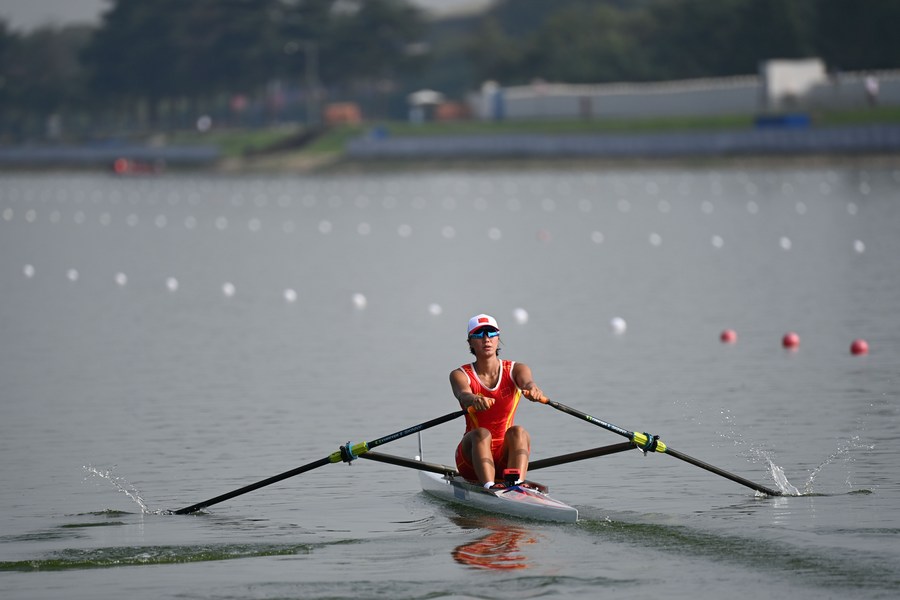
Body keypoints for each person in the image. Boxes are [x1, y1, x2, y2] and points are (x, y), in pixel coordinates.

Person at [450, 313, 546, 489]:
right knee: (482, 433)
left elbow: (527, 382)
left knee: (518, 432)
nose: (486, 339)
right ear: (470, 342)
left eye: (491, 333)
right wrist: (473, 398)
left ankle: (516, 484)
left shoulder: (517, 369)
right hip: (471, 460)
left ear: (498, 338)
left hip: (505, 457)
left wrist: (533, 388)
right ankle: (490, 487)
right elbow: (463, 394)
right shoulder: (459, 374)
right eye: (479, 334)